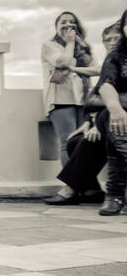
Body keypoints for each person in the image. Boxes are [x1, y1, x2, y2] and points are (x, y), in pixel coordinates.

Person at [45, 22, 120, 205]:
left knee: (89, 141)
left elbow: (119, 99)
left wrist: (99, 124)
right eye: (107, 40)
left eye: (116, 39)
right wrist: (88, 122)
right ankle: (92, 190)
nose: (111, 43)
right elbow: (96, 96)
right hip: (109, 121)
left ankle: (70, 189)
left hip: (118, 120)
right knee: (74, 141)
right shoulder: (111, 62)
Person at [41, 12, 99, 167]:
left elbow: (97, 69)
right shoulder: (49, 46)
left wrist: (76, 63)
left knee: (82, 142)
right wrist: (71, 42)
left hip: (83, 98)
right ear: (56, 27)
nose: (68, 25)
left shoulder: (84, 48)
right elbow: (62, 62)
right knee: (67, 142)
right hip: (60, 99)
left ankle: (82, 179)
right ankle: (71, 181)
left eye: (71, 22)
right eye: (63, 22)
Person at [97, 9, 127, 215]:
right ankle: (114, 194)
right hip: (118, 110)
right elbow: (106, 84)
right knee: (115, 123)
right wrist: (116, 110)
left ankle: (115, 194)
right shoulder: (117, 56)